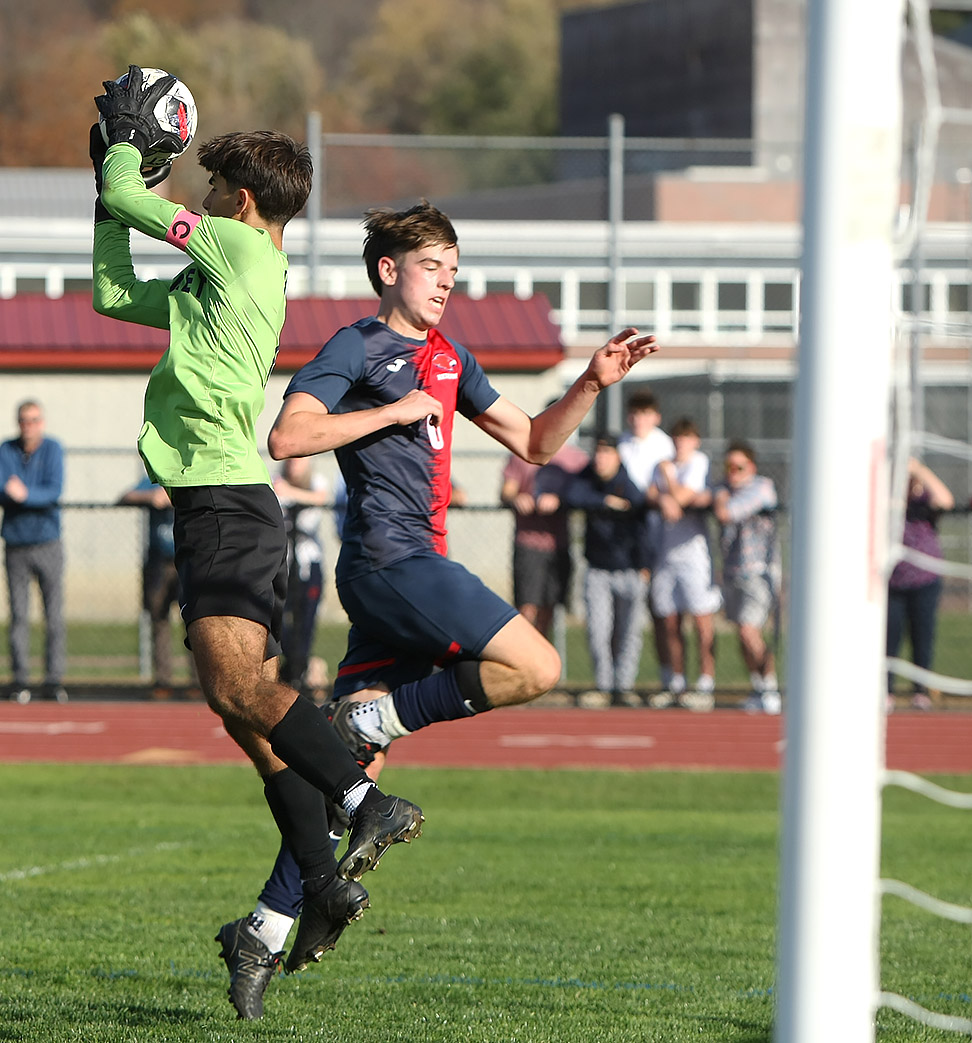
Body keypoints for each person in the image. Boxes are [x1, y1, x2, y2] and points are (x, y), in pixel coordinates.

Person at [230, 200, 657, 1014]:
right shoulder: (356, 346)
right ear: (389, 270)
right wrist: (390, 411)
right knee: (537, 665)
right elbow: (287, 438)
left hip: (410, 566)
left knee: (346, 780)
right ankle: (369, 723)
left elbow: (533, 443)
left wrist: (590, 384)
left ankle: (265, 926)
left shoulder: (452, 354)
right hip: (389, 561)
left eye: (454, 274)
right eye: (433, 269)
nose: (445, 286)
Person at [90, 66, 425, 1021]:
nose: (189, 201)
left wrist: (121, 151)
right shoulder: (220, 272)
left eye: (202, 192)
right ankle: (315, 886)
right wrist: (112, 194)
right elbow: (117, 292)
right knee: (245, 719)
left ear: (240, 203)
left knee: (240, 691)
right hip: (219, 503)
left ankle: (360, 803)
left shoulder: (238, 248)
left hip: (228, 500)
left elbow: (124, 189)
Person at [0, 399, 67, 705]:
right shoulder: (6, 449)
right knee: (19, 616)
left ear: (41, 422)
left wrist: (25, 495)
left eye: (34, 420)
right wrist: (11, 493)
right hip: (15, 544)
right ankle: (20, 680)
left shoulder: (53, 449)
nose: (28, 426)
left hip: (48, 542)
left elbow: (54, 491)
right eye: (23, 420)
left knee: (54, 617)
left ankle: (53, 680)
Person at [562, 434, 649, 708]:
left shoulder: (627, 482)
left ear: (617, 457)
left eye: (606, 453)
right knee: (598, 632)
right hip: (597, 570)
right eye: (598, 453)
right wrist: (604, 502)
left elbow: (642, 512)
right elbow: (572, 495)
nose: (601, 459)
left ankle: (623, 688)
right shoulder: (588, 477)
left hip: (630, 571)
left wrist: (645, 565)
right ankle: (604, 685)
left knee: (628, 633)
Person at [645, 418, 720, 711]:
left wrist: (668, 482)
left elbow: (683, 495)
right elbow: (651, 495)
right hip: (666, 554)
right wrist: (664, 496)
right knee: (669, 621)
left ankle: (705, 683)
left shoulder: (697, 463)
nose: (680, 444)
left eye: (686, 438)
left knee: (702, 621)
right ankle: (675, 682)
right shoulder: (662, 464)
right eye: (677, 438)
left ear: (695, 441)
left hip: (694, 556)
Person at [499, 412, 588, 639]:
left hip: (559, 543)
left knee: (549, 609)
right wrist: (517, 498)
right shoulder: (523, 452)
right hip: (529, 543)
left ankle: (542, 667)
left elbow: (586, 492)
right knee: (527, 609)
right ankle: (524, 664)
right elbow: (507, 491)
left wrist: (561, 500)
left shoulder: (576, 459)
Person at [711, 440, 781, 714]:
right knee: (742, 634)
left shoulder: (761, 488)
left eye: (739, 467)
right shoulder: (724, 488)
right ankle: (758, 687)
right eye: (728, 467)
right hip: (732, 571)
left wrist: (719, 497)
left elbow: (725, 512)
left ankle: (770, 687)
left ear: (750, 467)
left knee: (748, 630)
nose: (733, 473)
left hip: (758, 573)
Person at [617, 389, 675, 702]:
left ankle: (670, 678)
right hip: (626, 529)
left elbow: (663, 488)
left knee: (662, 610)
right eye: (634, 413)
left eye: (645, 413)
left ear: (655, 417)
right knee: (626, 611)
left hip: (656, 529)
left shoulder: (663, 444)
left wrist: (651, 498)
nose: (639, 420)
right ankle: (619, 682)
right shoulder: (622, 444)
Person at [885, 457, 954, 711]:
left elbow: (945, 499)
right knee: (889, 636)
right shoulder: (890, 501)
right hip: (893, 579)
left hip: (925, 579)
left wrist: (919, 469)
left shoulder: (925, 500)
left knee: (922, 634)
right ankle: (886, 691)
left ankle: (920, 691)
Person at [118, 474, 195, 699]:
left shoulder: (191, 476)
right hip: (159, 564)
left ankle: (198, 681)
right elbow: (125, 497)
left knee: (193, 621)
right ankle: (163, 680)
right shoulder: (154, 478)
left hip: (187, 561)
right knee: (159, 620)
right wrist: (152, 497)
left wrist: (175, 498)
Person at [273, 456, 329, 695]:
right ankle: (290, 664)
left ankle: (301, 667)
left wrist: (291, 493)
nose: (293, 463)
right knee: (279, 616)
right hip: (283, 562)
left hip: (308, 561)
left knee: (306, 618)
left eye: (298, 459)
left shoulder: (316, 481)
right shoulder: (276, 482)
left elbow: (321, 499)